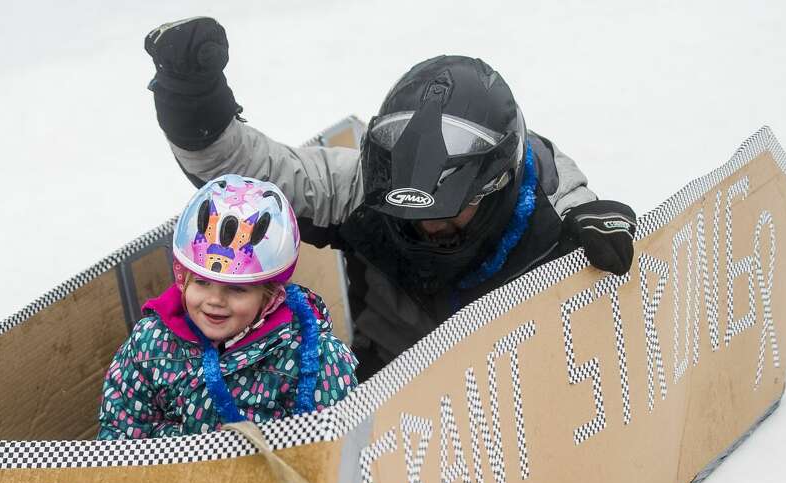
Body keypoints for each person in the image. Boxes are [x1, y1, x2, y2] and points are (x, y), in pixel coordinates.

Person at [143, 17, 639, 379]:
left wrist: (592, 219)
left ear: (495, 187)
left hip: (519, 396)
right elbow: (254, 172)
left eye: (450, 212)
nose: (431, 226)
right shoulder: (363, 186)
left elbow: (576, 203)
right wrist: (191, 99)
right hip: (389, 391)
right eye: (413, 215)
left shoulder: (551, 213)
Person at [98, 174, 357, 440]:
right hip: (172, 468)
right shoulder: (151, 344)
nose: (215, 300)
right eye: (201, 282)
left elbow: (334, 449)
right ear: (182, 278)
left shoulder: (312, 356)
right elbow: (121, 432)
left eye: (236, 289)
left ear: (270, 297)